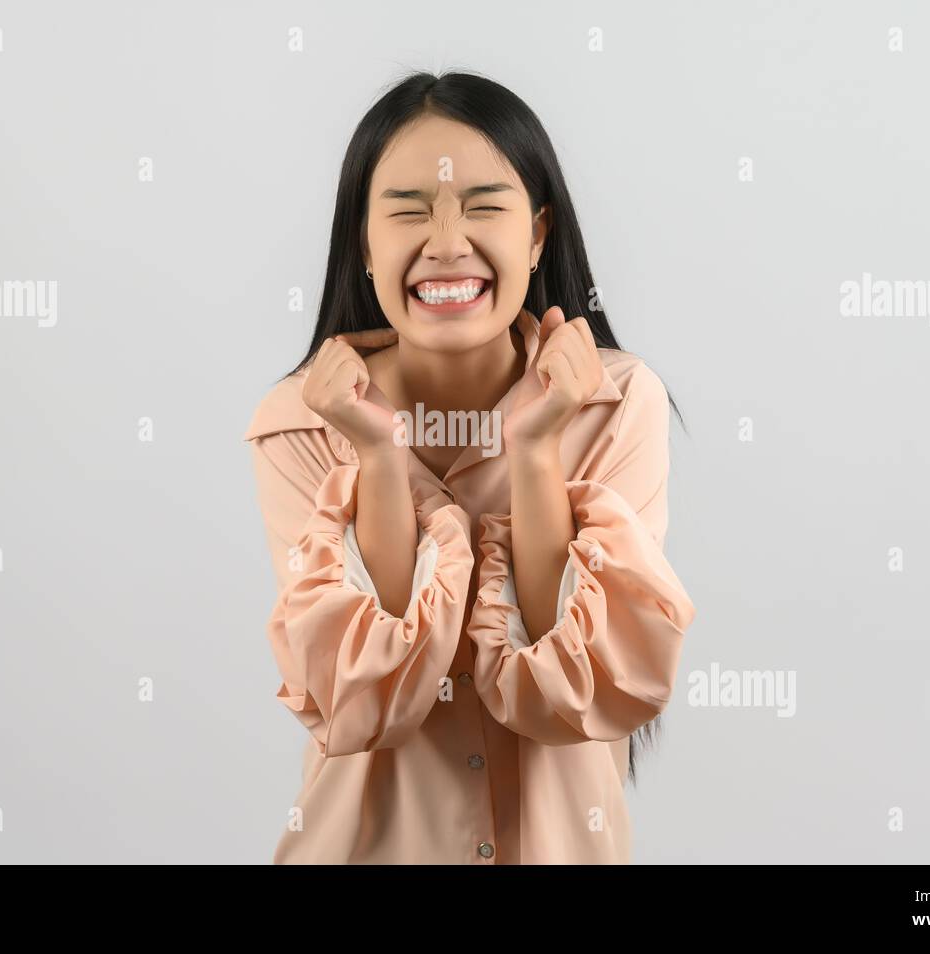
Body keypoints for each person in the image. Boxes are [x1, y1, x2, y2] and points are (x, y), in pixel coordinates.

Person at [243, 70, 697, 864]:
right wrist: (378, 457)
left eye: (484, 206)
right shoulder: (298, 424)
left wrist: (534, 451)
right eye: (408, 211)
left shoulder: (619, 404)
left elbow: (574, 688)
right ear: (364, 243)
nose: (447, 242)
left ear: (537, 233)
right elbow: (366, 697)